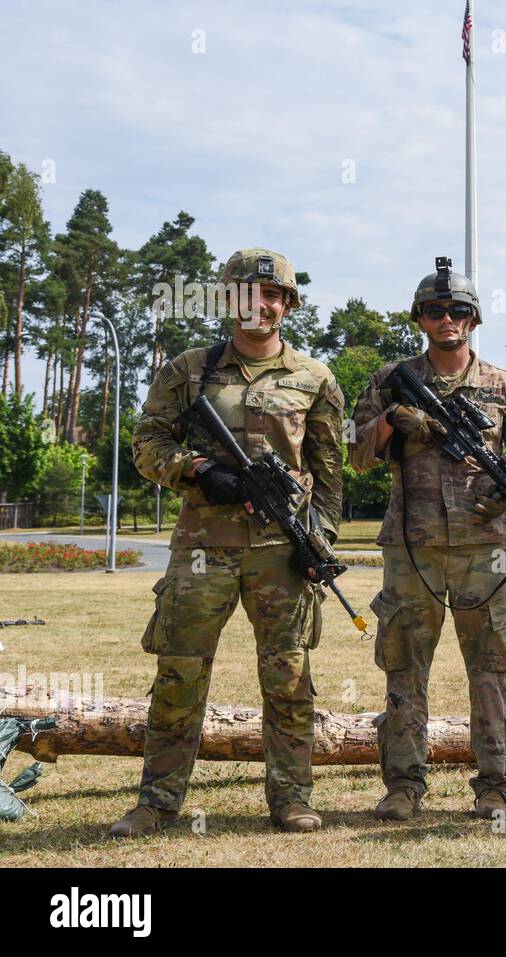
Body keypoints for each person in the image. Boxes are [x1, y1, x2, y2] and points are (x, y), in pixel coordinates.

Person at [111, 248, 343, 836]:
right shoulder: (188, 371)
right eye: (245, 294)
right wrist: (197, 471)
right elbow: (146, 445)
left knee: (289, 679)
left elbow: (329, 473)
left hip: (281, 553)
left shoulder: (314, 378)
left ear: (286, 305)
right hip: (201, 547)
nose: (258, 306)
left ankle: (292, 799)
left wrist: (320, 544)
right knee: (179, 676)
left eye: (271, 296)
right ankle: (157, 803)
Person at [349, 259, 506, 823]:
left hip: (485, 549)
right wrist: (390, 419)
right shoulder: (390, 380)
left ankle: (494, 787)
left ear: (474, 319)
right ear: (420, 319)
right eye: (435, 311)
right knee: (404, 669)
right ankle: (403, 787)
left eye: (458, 310)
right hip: (413, 548)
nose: (447, 319)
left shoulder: (504, 386)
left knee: (491, 669)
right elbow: (357, 455)